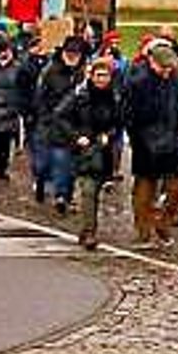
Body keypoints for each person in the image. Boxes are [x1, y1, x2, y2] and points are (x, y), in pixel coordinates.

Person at [124, 40, 178, 247]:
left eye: (169, 67)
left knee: (176, 188)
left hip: (173, 142)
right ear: (152, 62)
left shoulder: (176, 80)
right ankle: (143, 230)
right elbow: (130, 117)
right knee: (145, 189)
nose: (167, 70)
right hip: (146, 144)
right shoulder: (138, 83)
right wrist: (141, 141)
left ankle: (164, 222)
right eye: (163, 67)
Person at [58, 56, 125, 250]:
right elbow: (61, 116)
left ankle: (87, 228)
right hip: (85, 149)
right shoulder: (80, 95)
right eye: (98, 75)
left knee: (97, 191)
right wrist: (76, 136)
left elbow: (119, 122)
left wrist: (110, 135)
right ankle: (89, 231)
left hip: (105, 150)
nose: (102, 80)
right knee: (88, 189)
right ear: (92, 76)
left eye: (105, 76)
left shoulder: (115, 97)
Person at [34, 37, 90, 213]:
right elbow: (41, 97)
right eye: (69, 54)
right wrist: (45, 117)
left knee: (66, 163)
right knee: (43, 164)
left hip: (74, 125)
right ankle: (42, 181)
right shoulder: (51, 71)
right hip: (51, 122)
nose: (72, 57)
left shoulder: (84, 74)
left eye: (76, 54)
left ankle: (63, 195)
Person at [0, 42, 29, 182]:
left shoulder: (17, 67)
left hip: (11, 110)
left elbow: (23, 88)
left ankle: (2, 168)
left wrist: (20, 106)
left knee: (5, 143)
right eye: (3, 51)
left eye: (8, 51)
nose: (6, 54)